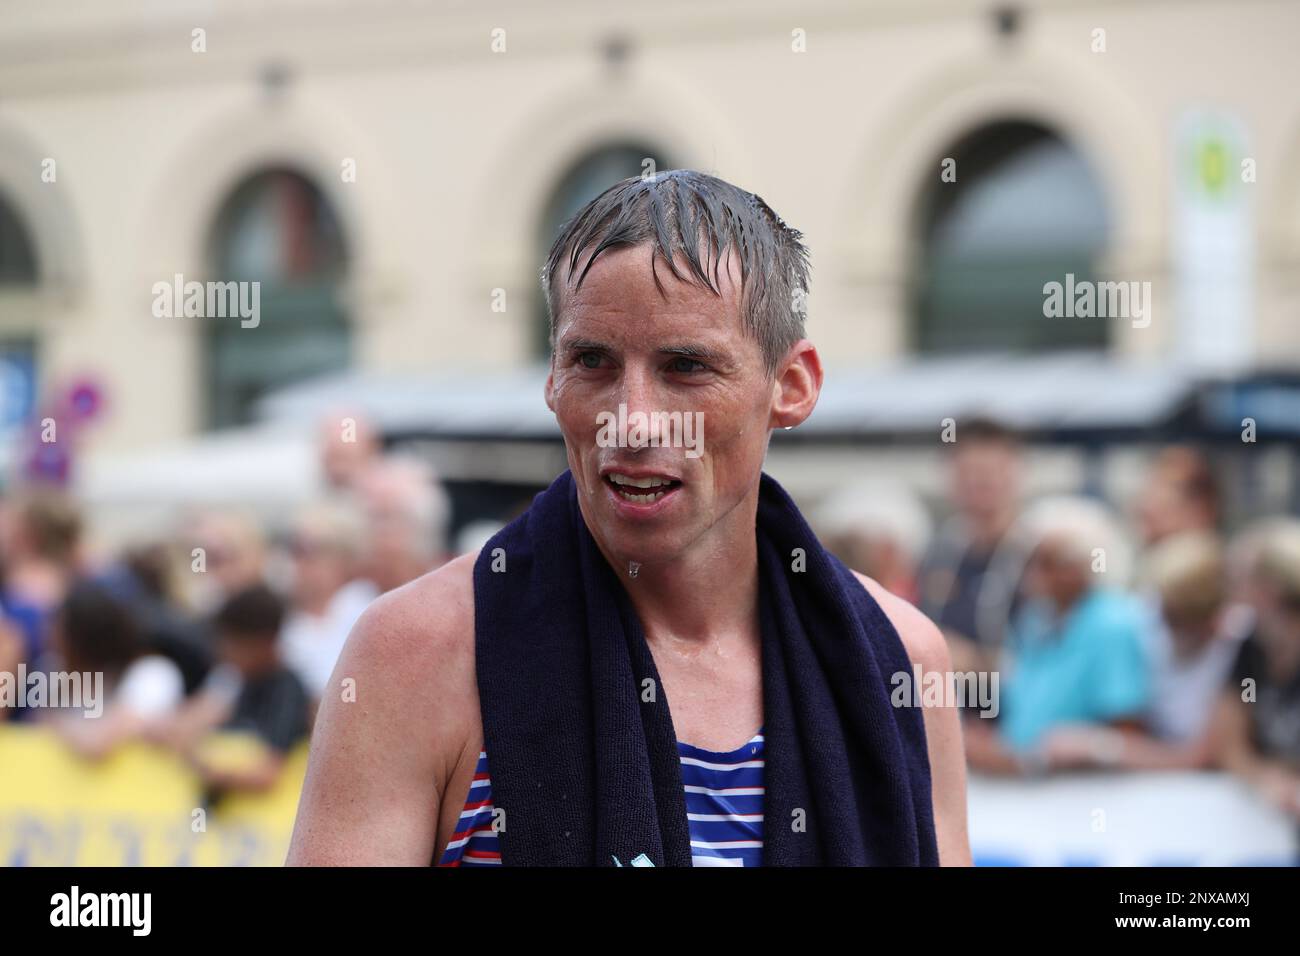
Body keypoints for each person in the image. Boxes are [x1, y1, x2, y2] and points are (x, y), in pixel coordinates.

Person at [289, 170, 970, 867]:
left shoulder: (900, 656)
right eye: (592, 361)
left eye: (685, 366)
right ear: (552, 381)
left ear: (791, 387)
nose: (632, 419)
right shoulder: (418, 652)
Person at [964, 496, 1151, 775]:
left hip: (1085, 795)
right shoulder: (1034, 619)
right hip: (1024, 791)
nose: (1034, 573)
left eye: (1050, 562)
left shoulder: (1113, 623)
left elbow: (1125, 732)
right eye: (1032, 560)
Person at [163, 585, 311, 795]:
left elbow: (269, 771)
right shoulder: (236, 682)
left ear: (263, 642)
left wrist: (210, 771)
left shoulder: (288, 691)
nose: (225, 652)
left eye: (234, 644)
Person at [917, 417, 1027, 676]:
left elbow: (1052, 660)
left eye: (989, 472)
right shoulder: (939, 553)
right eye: (968, 472)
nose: (978, 482)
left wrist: (975, 662)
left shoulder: (1037, 556)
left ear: (1015, 473)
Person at [1211, 522, 1300, 820]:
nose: (1235, 592)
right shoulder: (1252, 649)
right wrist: (1264, 776)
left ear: (1271, 587)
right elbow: (1231, 741)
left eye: (1242, 580)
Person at [42, 581, 185, 760]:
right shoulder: (56, 673)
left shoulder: (152, 674)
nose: (52, 646)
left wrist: (57, 721)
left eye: (63, 644)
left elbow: (98, 744)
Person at [278, 502, 377, 707]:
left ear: (345, 557)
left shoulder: (363, 605)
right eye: (293, 549)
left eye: (308, 550)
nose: (298, 562)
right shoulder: (284, 616)